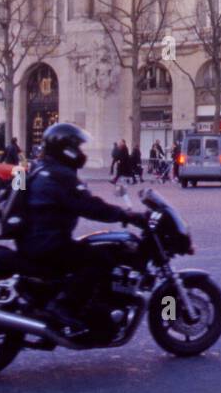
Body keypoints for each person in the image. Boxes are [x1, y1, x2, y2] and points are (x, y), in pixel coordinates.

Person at [16, 123, 149, 335]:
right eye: (77, 147)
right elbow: (89, 206)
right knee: (100, 259)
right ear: (66, 149)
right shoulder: (61, 176)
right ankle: (64, 306)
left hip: (30, 240)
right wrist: (126, 215)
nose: (80, 152)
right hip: (47, 244)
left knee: (89, 252)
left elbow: (18, 189)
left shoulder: (36, 168)